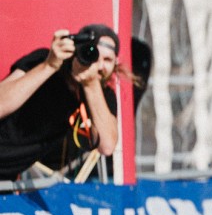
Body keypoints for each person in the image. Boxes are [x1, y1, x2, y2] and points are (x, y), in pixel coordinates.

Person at [0, 25, 121, 180]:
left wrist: (90, 84)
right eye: (92, 54)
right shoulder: (44, 60)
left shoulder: (100, 94)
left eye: (108, 60)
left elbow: (107, 146)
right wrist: (49, 66)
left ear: (115, 64)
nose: (98, 65)